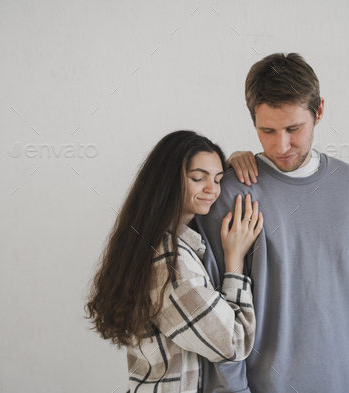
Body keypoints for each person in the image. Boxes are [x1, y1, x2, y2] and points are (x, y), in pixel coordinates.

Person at [195, 53, 349, 392]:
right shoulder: (227, 194)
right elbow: (212, 315)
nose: (281, 145)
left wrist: (343, 363)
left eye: (294, 128)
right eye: (267, 130)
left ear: (319, 111)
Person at [85, 130, 264, 393]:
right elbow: (233, 343)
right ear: (167, 181)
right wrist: (234, 259)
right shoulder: (170, 262)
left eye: (217, 179)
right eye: (198, 178)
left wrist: (235, 163)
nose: (212, 190)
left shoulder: (153, 243)